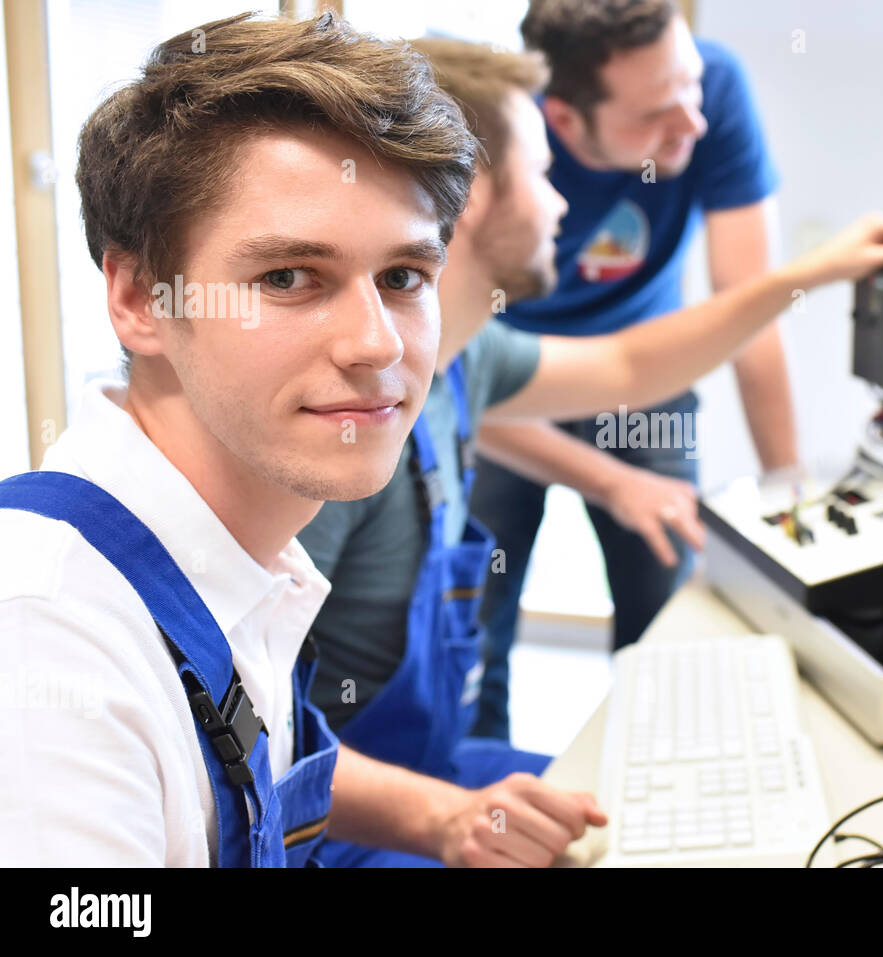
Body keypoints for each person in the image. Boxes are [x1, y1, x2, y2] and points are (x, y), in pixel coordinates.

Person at [297, 34, 883, 866]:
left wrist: (806, 274)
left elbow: (633, 365)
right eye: (540, 174)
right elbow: (256, 741)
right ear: (477, 191)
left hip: (431, 765)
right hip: (350, 828)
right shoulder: (340, 428)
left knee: (646, 812)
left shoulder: (467, 360)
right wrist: (445, 819)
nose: (564, 207)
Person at [0, 13, 609, 867]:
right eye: (289, 277)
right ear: (140, 300)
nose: (378, 344)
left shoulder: (253, 569)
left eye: (403, 277)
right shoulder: (49, 641)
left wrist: (439, 820)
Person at [469, 0, 796, 741]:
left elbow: (749, 313)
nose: (693, 123)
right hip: (510, 378)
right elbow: (454, 374)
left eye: (691, 89)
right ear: (563, 119)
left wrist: (789, 494)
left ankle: (661, 771)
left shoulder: (706, 89)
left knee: (664, 614)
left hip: (644, 375)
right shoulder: (496, 124)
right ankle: (477, 805)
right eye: (654, 116)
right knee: (475, 617)